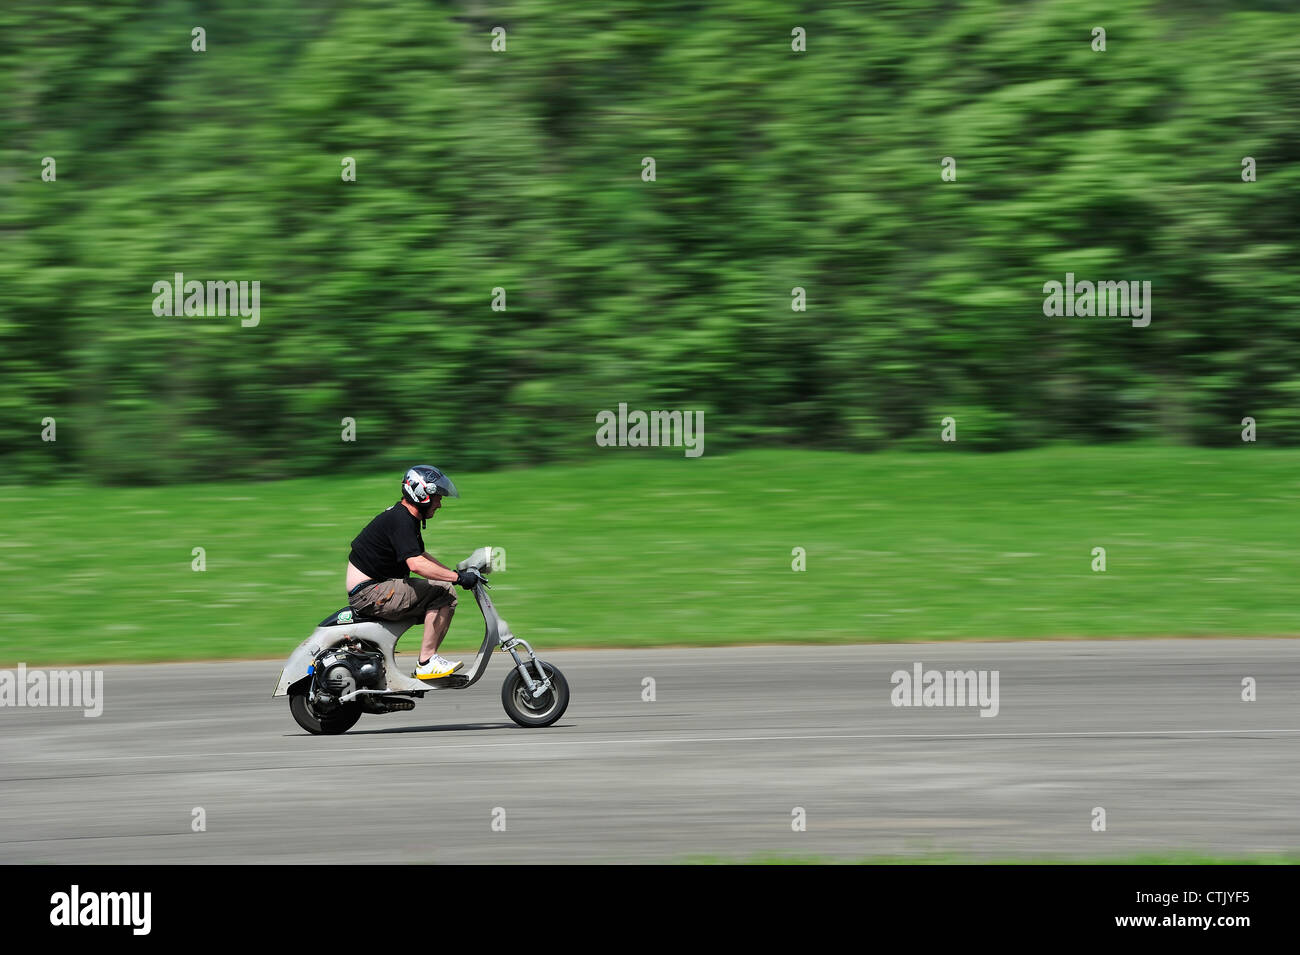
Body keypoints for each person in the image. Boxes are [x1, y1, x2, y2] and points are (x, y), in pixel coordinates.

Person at [345, 465, 484, 679]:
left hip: (374, 589)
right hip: (370, 592)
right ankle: (427, 661)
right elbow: (416, 565)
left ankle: (426, 661)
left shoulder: (406, 518)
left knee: (442, 587)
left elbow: (421, 555)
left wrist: (454, 573)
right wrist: (456, 579)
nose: (439, 503)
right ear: (421, 495)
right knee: (443, 593)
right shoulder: (401, 520)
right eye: (436, 497)